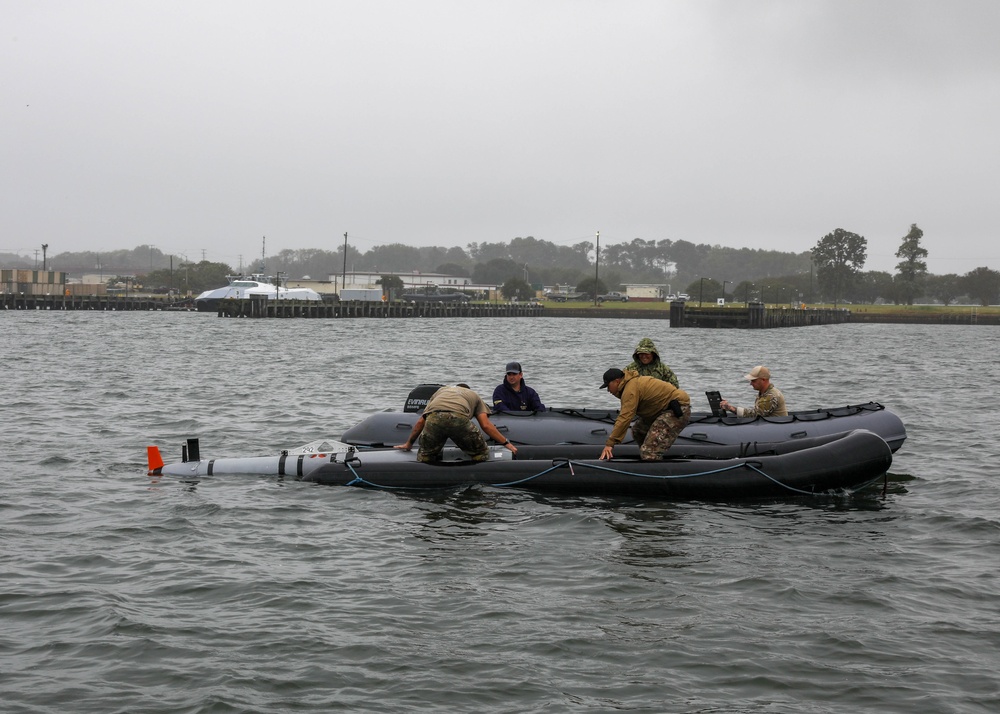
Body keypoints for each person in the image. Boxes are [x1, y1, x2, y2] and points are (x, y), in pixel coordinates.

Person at [395, 383, 518, 463]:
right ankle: (474, 472)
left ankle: (427, 469)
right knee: (481, 454)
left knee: (426, 456)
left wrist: (408, 443)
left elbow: (421, 421)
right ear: (467, 390)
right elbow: (485, 425)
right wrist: (506, 443)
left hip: (434, 418)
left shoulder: (441, 392)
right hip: (458, 418)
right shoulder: (474, 395)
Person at [598, 367, 691, 461]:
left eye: (608, 386)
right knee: (638, 431)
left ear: (617, 381)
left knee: (648, 452)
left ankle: (651, 456)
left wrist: (610, 444)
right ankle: (650, 455)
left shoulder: (630, 390)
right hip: (661, 410)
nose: (608, 390)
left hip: (676, 410)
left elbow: (625, 417)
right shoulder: (630, 384)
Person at [719, 365, 787, 417]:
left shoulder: (771, 396)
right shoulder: (763, 393)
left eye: (753, 381)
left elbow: (756, 414)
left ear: (763, 380)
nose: (751, 383)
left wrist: (731, 408)